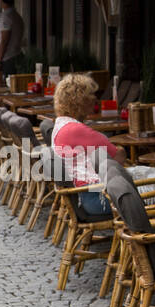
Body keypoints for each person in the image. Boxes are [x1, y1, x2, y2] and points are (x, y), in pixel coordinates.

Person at [51, 73, 122, 215]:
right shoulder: (76, 130)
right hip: (96, 199)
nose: (95, 98)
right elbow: (119, 157)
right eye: (91, 95)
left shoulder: (61, 124)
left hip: (83, 196)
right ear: (80, 101)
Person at [0, 0, 25, 81]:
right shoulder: (17, 16)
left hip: (7, 59)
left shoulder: (6, 16)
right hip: (14, 55)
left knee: (6, 85)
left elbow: (4, 40)